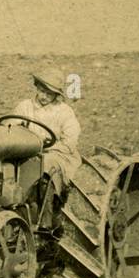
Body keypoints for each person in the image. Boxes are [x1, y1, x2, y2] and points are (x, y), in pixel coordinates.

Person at [9, 67, 82, 196]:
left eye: (49, 94)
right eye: (42, 91)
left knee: (44, 168)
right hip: (25, 153)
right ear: (37, 88)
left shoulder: (64, 112)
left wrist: (46, 146)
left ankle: (45, 210)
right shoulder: (24, 106)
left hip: (56, 155)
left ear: (56, 95)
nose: (44, 96)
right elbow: (10, 128)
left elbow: (69, 143)